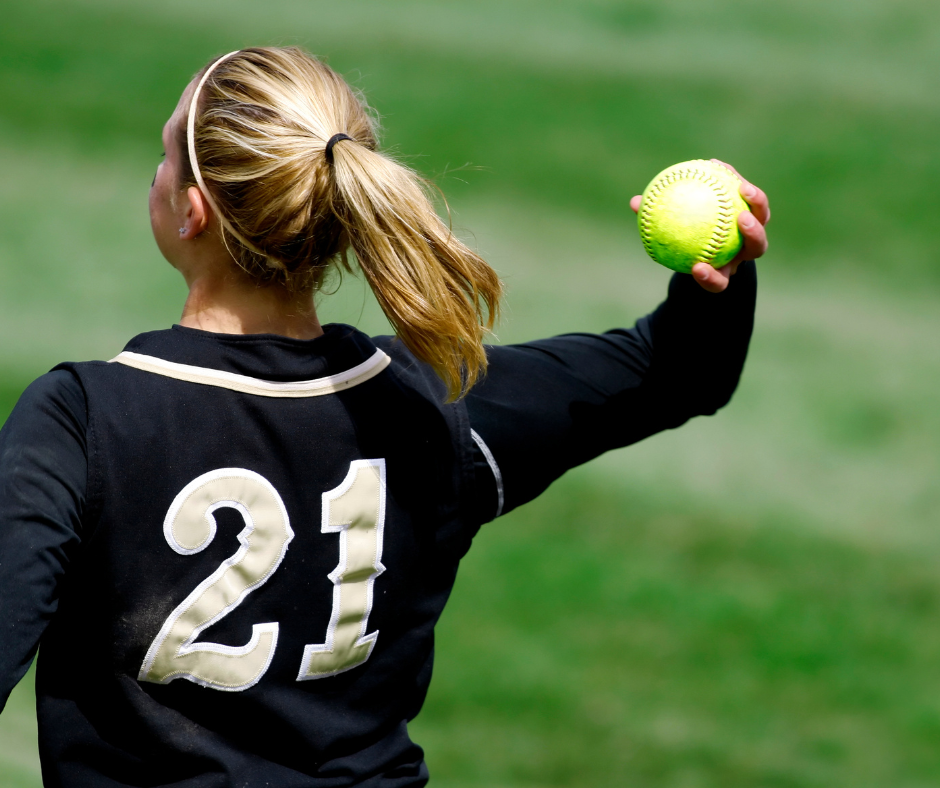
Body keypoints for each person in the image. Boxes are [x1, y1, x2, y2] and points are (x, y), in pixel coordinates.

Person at [0, 47, 768, 787]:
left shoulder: (81, 423)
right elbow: (673, 373)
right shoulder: (430, 403)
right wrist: (718, 276)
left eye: (166, 155)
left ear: (192, 212)